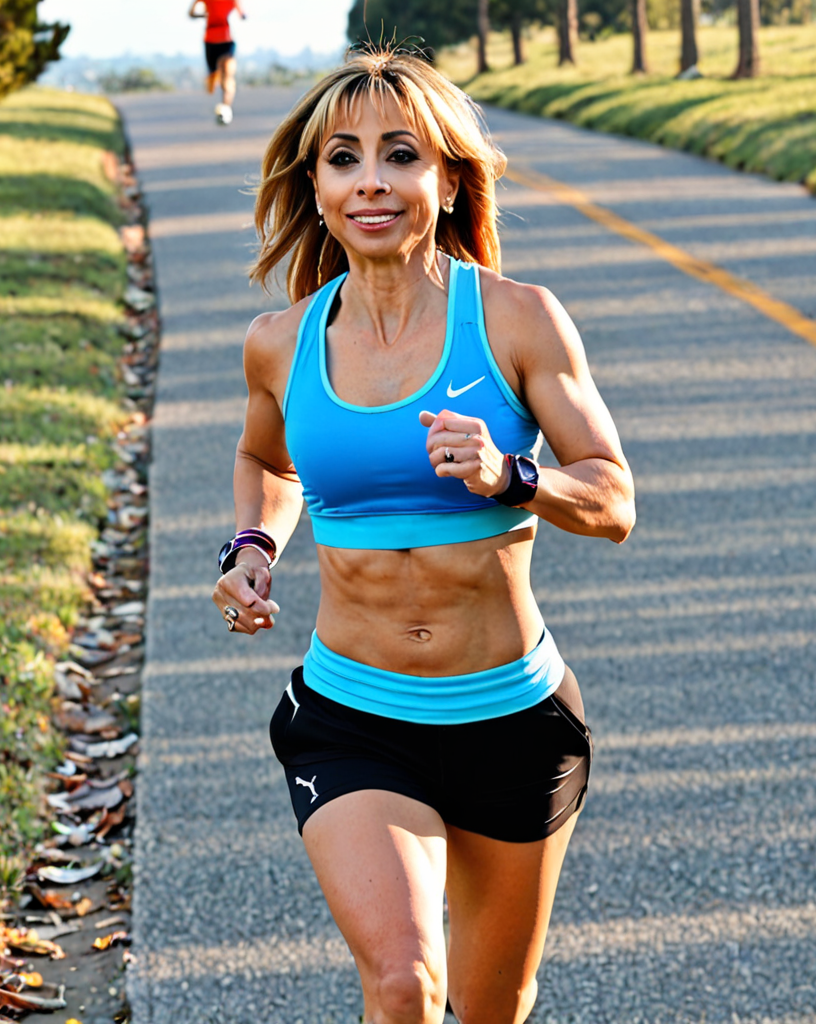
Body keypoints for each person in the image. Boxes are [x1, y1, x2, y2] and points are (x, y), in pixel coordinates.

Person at [212, 45, 635, 1024]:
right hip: (351, 716)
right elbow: (270, 465)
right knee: (403, 985)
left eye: (400, 155)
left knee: (494, 1006)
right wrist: (252, 547)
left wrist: (513, 475)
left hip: (510, 717)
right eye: (343, 158)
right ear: (313, 185)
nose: (371, 181)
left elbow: (613, 500)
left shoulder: (520, 322)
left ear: (446, 181)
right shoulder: (280, 342)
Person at [188, 0, 245, 125]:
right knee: (212, 83)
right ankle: (215, 80)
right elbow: (242, 15)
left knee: (227, 76)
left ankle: (225, 108)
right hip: (211, 40)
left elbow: (241, 13)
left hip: (226, 40)